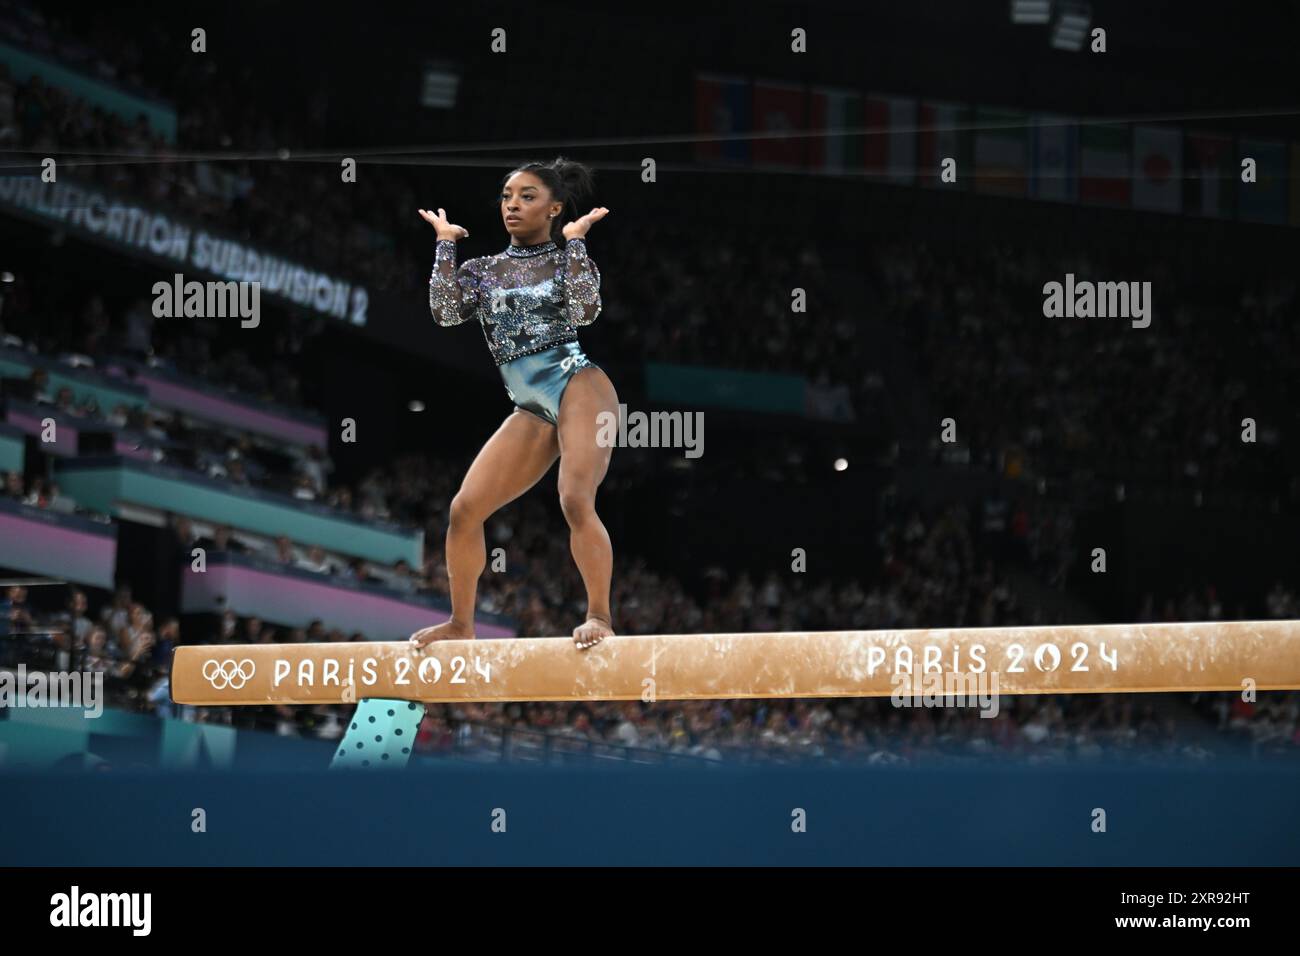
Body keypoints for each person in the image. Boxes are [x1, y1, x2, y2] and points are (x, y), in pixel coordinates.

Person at [412, 157, 618, 651]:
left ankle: (600, 616)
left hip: (581, 385)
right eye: (507, 196)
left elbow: (586, 310)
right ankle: (461, 622)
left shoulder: (565, 255)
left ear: (554, 208)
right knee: (464, 510)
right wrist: (444, 245)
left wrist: (576, 243)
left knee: (573, 497)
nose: (513, 205)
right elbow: (443, 313)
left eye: (527, 196)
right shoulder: (482, 270)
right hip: (530, 407)